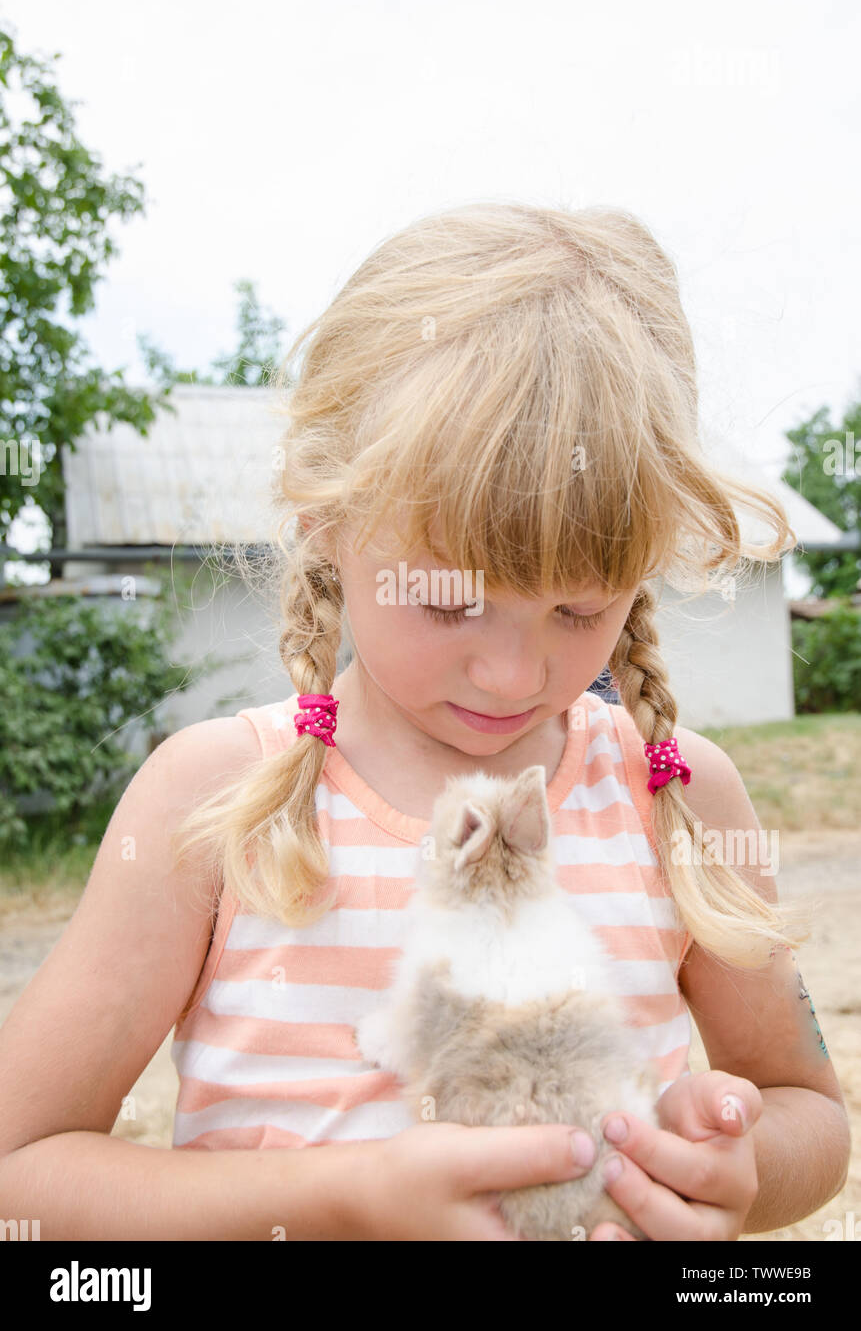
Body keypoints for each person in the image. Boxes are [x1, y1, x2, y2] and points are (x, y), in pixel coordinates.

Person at [0, 202, 849, 1241]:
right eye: (448, 600)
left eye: (580, 608)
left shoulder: (676, 794)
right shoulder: (215, 801)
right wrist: (340, 1199)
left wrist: (730, 1162)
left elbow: (810, 1115)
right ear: (327, 514)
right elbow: (21, 1172)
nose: (512, 669)